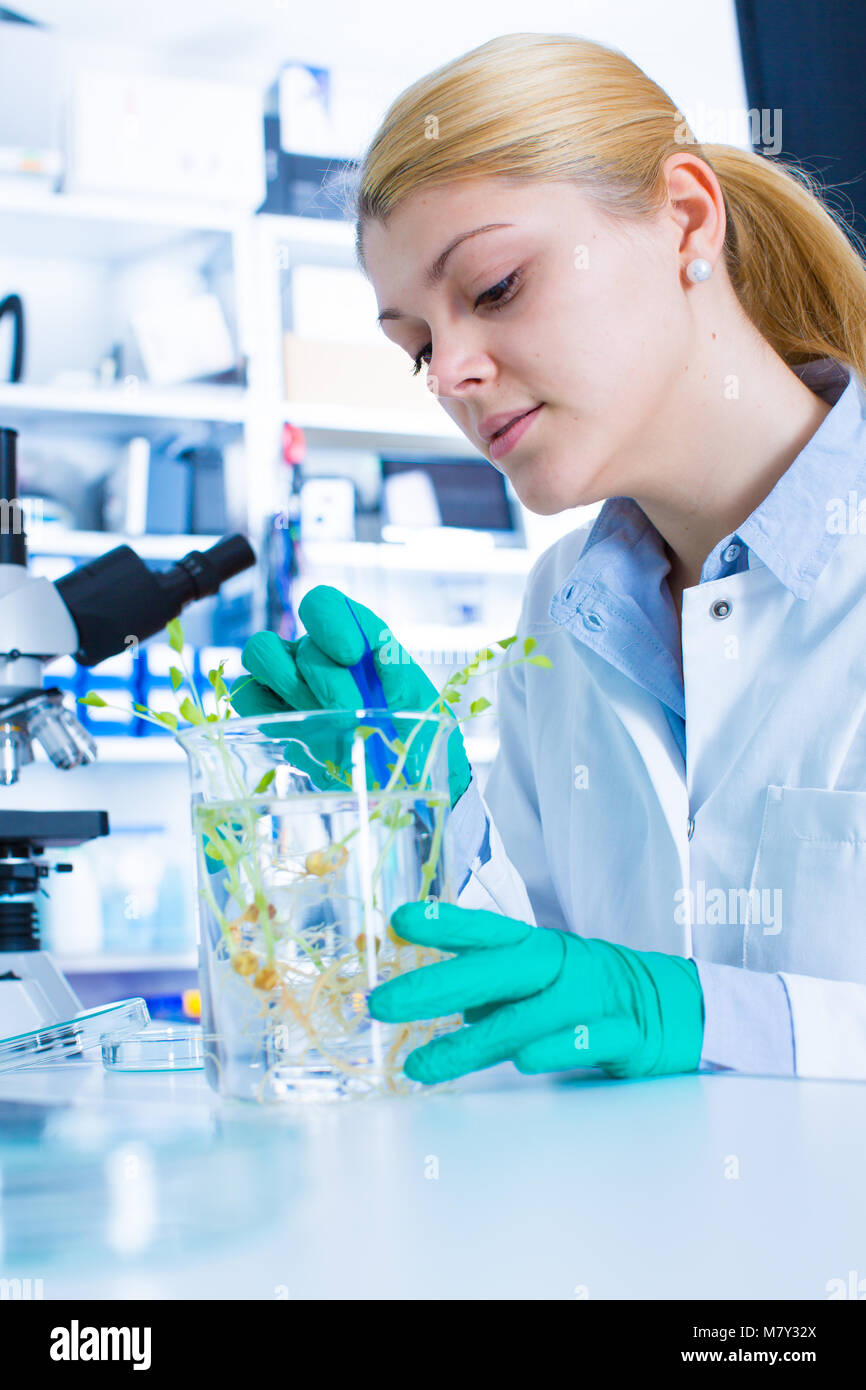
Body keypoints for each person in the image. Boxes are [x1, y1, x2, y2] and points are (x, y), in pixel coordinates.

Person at [232, 33, 866, 1085]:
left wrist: (708, 1015)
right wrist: (424, 814)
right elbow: (536, 1000)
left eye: (492, 287)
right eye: (417, 347)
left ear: (685, 219)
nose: (450, 375)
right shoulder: (563, 604)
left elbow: (657, 1009)